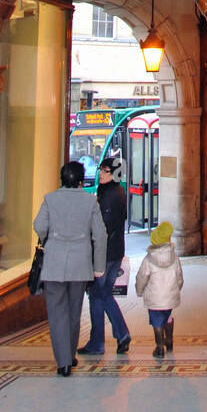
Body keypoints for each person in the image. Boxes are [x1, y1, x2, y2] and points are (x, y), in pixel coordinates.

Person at [33, 160, 107, 377]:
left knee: (57, 314)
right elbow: (100, 235)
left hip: (54, 263)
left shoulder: (50, 199)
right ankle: (70, 354)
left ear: (61, 178)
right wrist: (99, 266)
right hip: (80, 264)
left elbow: (39, 226)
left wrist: (51, 236)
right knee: (74, 311)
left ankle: (63, 361)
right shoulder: (90, 202)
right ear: (81, 180)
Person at [78, 156, 131, 356]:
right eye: (101, 169)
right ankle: (121, 333)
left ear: (115, 174)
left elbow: (103, 227)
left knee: (97, 296)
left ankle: (97, 342)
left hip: (105, 254)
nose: (101, 173)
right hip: (114, 251)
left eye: (106, 171)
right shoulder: (115, 191)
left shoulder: (110, 195)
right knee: (104, 294)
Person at [135, 221, 183, 359]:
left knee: (156, 320)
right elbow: (179, 277)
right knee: (167, 316)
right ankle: (169, 340)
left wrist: (139, 291)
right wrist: (176, 289)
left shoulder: (148, 260)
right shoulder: (175, 258)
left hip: (154, 298)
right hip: (169, 297)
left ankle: (159, 346)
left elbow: (141, 277)